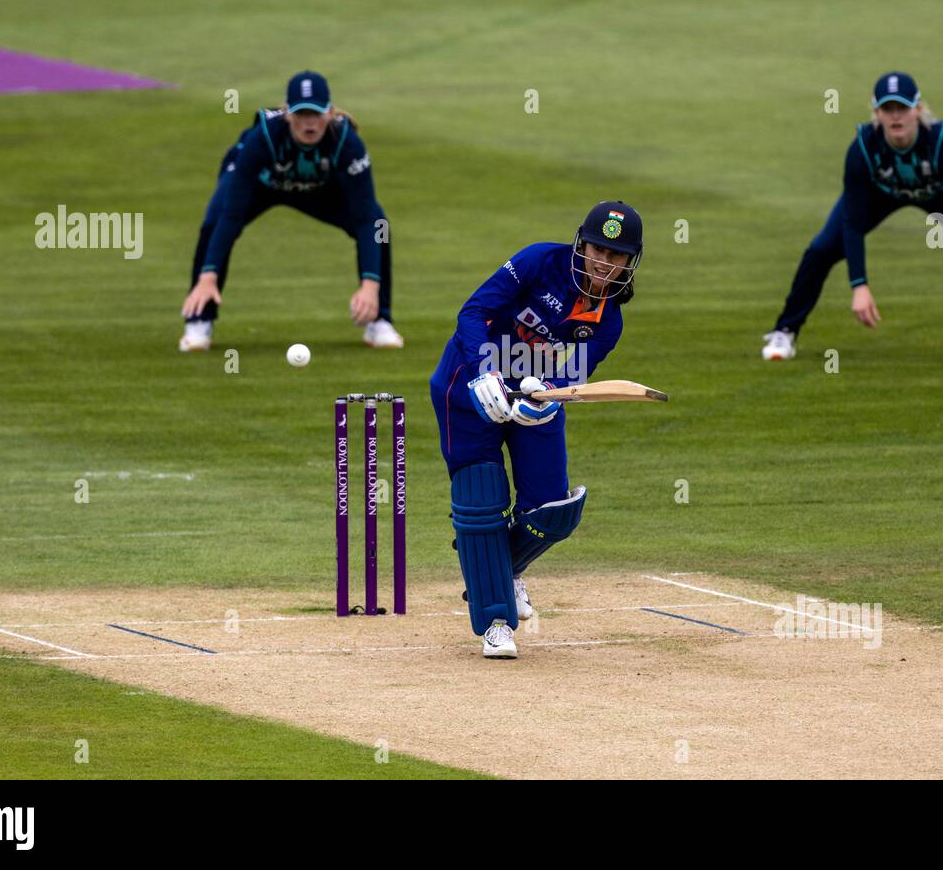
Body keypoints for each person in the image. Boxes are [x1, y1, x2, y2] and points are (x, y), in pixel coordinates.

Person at [430, 201, 643, 659]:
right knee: (482, 499)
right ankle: (496, 623)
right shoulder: (537, 261)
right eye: (599, 250)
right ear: (581, 245)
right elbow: (472, 312)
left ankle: (502, 566)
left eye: (617, 256)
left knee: (553, 511)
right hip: (469, 384)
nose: (605, 263)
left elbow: (574, 377)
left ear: (630, 262)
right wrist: (483, 372)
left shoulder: (609, 321)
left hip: (532, 391)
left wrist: (545, 398)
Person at [762, 72, 943, 361]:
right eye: (888, 109)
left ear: (918, 110)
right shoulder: (862, 149)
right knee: (821, 250)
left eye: (902, 108)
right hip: (880, 195)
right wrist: (858, 284)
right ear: (877, 113)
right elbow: (852, 221)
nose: (896, 117)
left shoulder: (942, 144)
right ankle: (785, 331)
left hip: (939, 195)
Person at [179, 70, 403, 351]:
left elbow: (366, 216)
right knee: (214, 222)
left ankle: (379, 320)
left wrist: (370, 285)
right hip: (263, 186)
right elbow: (232, 214)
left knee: (379, 223)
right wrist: (208, 276)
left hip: (317, 189)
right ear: (287, 114)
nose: (308, 122)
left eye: (316, 114)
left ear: (330, 113)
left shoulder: (348, 142)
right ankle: (200, 319)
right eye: (301, 114)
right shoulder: (262, 139)